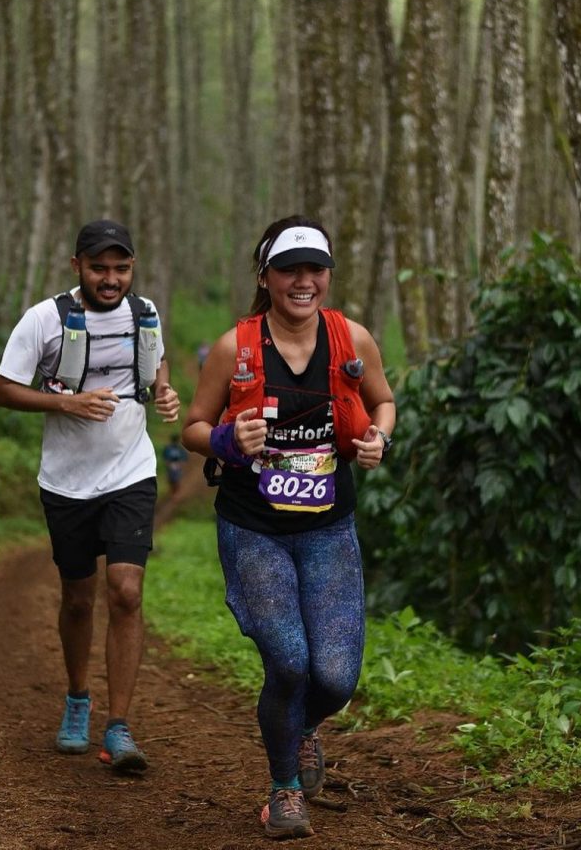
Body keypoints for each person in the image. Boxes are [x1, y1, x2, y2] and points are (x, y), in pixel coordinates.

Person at [181, 215, 395, 839]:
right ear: (266, 276)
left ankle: (300, 729)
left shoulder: (351, 338)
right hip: (254, 527)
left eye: (315, 270)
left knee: (335, 675)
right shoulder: (235, 348)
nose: (304, 281)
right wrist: (227, 437)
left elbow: (382, 401)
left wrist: (379, 435)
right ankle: (284, 789)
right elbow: (193, 427)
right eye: (289, 269)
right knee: (289, 660)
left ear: (328, 276)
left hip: (329, 526)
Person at [0, 219, 180, 772]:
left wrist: (164, 391)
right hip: (67, 480)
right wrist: (65, 404)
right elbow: (3, 390)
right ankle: (78, 698)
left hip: (131, 471)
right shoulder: (44, 319)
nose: (111, 279)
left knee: (125, 590)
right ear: (77, 266)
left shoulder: (144, 311)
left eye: (121, 268)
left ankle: (118, 727)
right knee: (78, 597)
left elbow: (158, 362)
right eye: (100, 267)